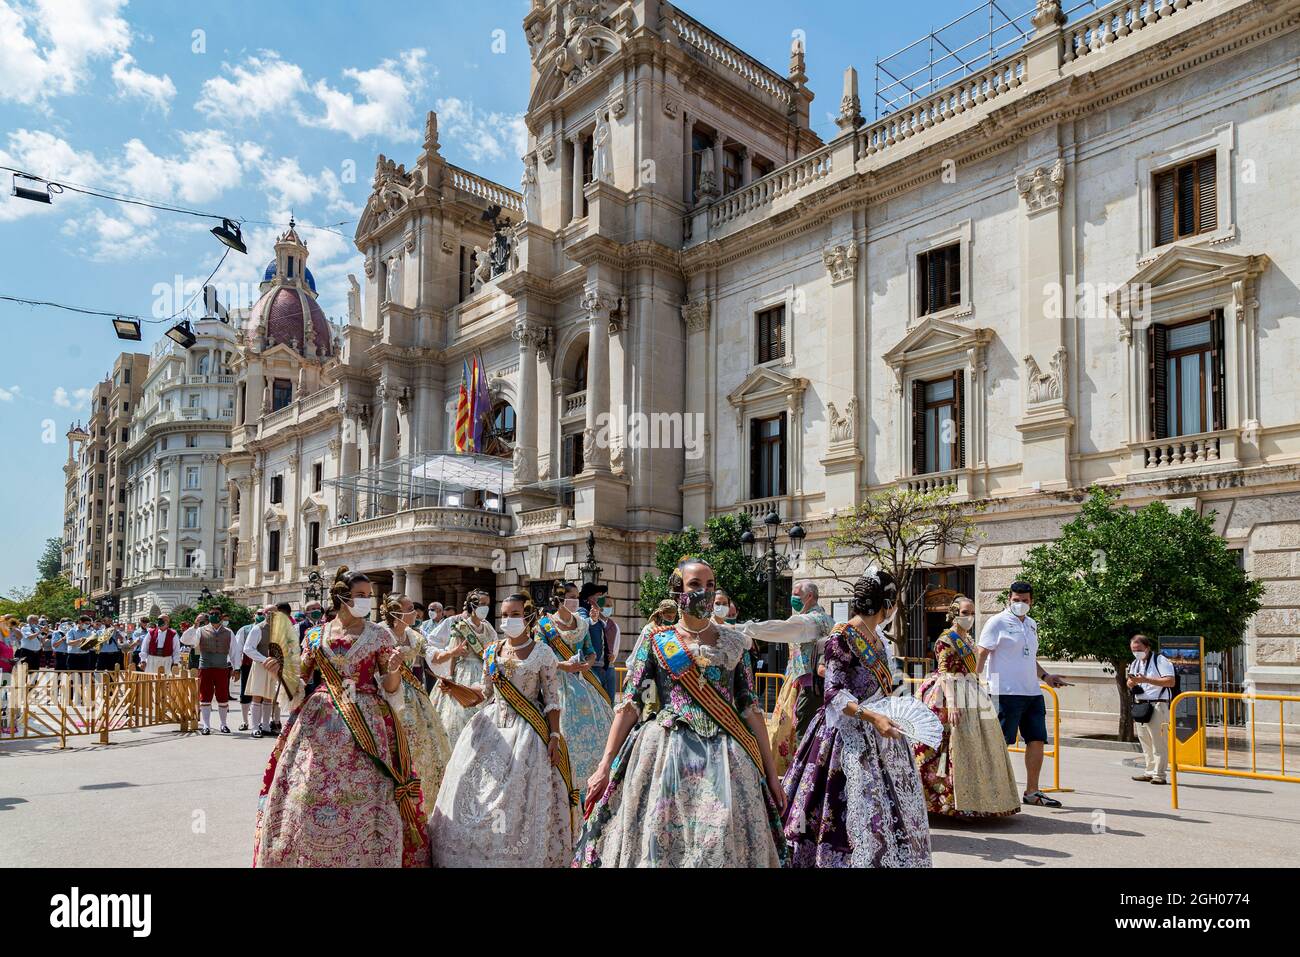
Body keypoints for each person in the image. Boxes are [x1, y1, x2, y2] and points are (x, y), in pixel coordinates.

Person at [578, 558, 787, 868]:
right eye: (695, 585)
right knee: (662, 834)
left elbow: (751, 709)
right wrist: (605, 764)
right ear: (678, 592)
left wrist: (771, 774)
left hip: (726, 759)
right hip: (666, 752)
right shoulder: (656, 640)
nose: (704, 592)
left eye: (710, 585)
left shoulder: (735, 643)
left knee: (721, 834)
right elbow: (632, 703)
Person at [254, 566, 430, 867]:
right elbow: (298, 686)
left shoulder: (378, 636)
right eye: (360, 596)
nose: (366, 601)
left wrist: (392, 669)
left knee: (367, 788)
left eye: (368, 596)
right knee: (309, 784)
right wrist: (280, 673)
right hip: (319, 717)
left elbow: (389, 687)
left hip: (369, 718)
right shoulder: (314, 635)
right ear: (342, 597)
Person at [781, 567, 932, 868]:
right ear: (886, 604)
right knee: (842, 810)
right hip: (844, 737)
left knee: (885, 811)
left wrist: (896, 710)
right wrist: (873, 717)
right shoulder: (842, 637)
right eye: (894, 602)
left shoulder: (879, 639)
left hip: (880, 734)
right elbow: (832, 693)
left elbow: (888, 684)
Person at [429, 592, 575, 867]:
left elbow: (552, 699)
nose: (508, 620)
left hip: (528, 733)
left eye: (515, 614)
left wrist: (554, 736)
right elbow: (484, 693)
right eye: (505, 615)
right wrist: (456, 688)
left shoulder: (542, 653)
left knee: (517, 798)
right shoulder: (491, 651)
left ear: (528, 616)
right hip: (490, 726)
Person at [914, 595, 1020, 818]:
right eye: (965, 613)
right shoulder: (946, 639)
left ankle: (979, 800)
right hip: (947, 693)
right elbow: (944, 673)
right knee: (942, 746)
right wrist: (951, 704)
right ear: (954, 614)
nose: (970, 617)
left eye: (972, 613)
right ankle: (943, 801)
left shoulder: (969, 640)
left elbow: (974, 668)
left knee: (981, 745)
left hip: (971, 689)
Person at [976, 581, 1070, 808]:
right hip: (1004, 692)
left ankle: (1032, 791)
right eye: (1016, 600)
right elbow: (982, 653)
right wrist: (976, 681)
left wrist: (1046, 676)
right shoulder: (997, 622)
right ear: (1009, 599)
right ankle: (991, 792)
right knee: (1000, 743)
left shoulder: (1031, 625)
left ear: (1031, 601)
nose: (1020, 604)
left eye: (1024, 601)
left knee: (1037, 740)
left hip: (1032, 693)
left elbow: (1028, 657)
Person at [535, 580, 614, 791]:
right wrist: (562, 666)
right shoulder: (544, 625)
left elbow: (591, 650)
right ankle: (564, 783)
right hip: (555, 684)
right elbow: (539, 656)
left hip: (582, 682)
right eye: (570, 596)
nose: (574, 601)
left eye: (577, 597)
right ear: (559, 598)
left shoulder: (582, 623)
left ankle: (592, 778)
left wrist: (587, 663)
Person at [379, 593, 452, 807]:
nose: (416, 612)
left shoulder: (415, 635)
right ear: (396, 612)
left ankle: (421, 798)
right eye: (410, 608)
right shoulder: (380, 634)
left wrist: (452, 653)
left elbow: (432, 655)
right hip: (385, 693)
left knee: (424, 744)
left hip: (413, 696)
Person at [765, 580, 835, 776]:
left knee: (798, 728)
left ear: (809, 596)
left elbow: (774, 630)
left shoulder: (806, 621)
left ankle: (800, 773)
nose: (793, 598)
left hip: (805, 681)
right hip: (807, 681)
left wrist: (746, 629)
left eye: (797, 594)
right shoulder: (829, 620)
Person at [424, 591, 496, 748]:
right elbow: (454, 654)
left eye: (487, 604)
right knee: (460, 716)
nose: (485, 608)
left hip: (484, 675)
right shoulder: (461, 627)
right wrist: (449, 678)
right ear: (472, 605)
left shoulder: (488, 627)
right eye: (482, 604)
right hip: (464, 672)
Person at [1127, 634, 1176, 786]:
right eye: (1133, 650)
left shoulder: (1160, 660)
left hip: (1157, 705)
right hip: (1141, 705)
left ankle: (1159, 774)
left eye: (1139, 649)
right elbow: (1130, 682)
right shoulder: (1135, 663)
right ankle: (1149, 771)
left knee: (1158, 742)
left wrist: (1145, 680)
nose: (1136, 652)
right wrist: (1131, 683)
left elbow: (1170, 681)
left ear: (1147, 647)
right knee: (1145, 741)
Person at [182, 616, 235, 735]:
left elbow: (234, 650)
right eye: (211, 613)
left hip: (222, 667)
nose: (214, 616)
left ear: (221, 617)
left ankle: (223, 724)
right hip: (205, 667)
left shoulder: (228, 632)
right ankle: (206, 725)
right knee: (205, 696)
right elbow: (185, 640)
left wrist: (236, 668)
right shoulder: (201, 630)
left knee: (223, 696)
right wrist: (195, 624)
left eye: (216, 613)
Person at [241, 606, 280, 738]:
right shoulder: (258, 628)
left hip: (275, 666)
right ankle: (255, 727)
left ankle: (266, 726)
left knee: (269, 696)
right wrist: (265, 659)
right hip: (260, 666)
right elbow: (248, 648)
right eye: (269, 612)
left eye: (275, 612)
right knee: (257, 695)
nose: (272, 614)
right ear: (264, 614)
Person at [230, 613, 258, 730]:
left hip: (264, 666)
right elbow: (237, 650)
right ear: (254, 616)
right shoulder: (244, 630)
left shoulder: (270, 629)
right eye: (259, 613)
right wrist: (236, 668)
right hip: (247, 665)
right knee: (245, 694)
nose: (262, 616)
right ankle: (245, 721)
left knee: (261, 695)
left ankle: (260, 723)